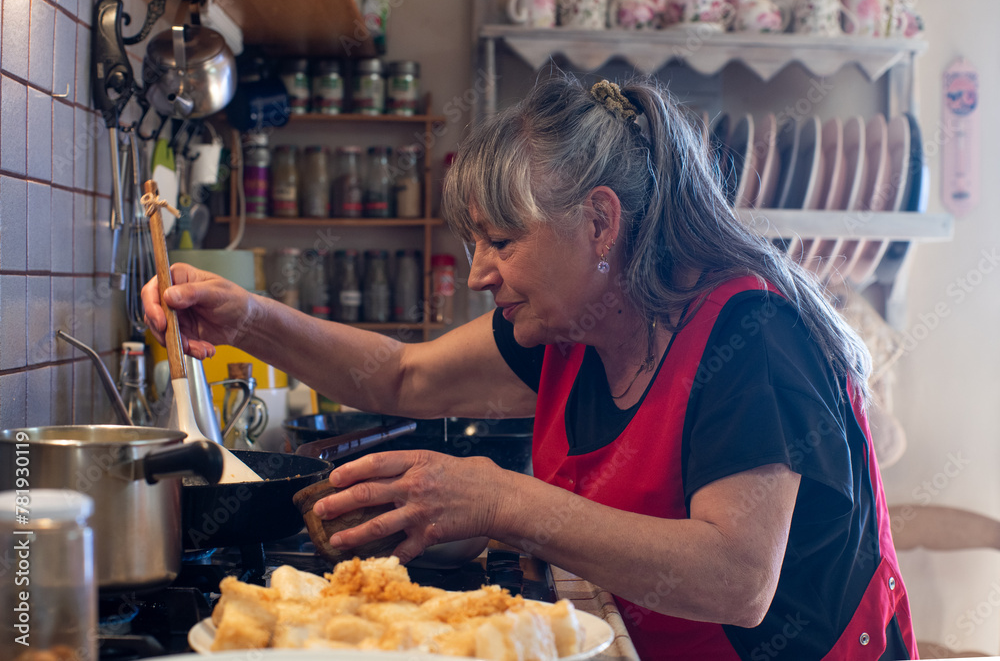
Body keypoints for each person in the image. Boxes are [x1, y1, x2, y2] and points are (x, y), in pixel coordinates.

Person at [142, 75, 916, 660]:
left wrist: (502, 501)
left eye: (502, 241)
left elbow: (738, 581)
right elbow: (400, 378)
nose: (480, 273)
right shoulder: (572, 328)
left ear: (600, 222)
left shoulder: (752, 338)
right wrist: (245, 318)